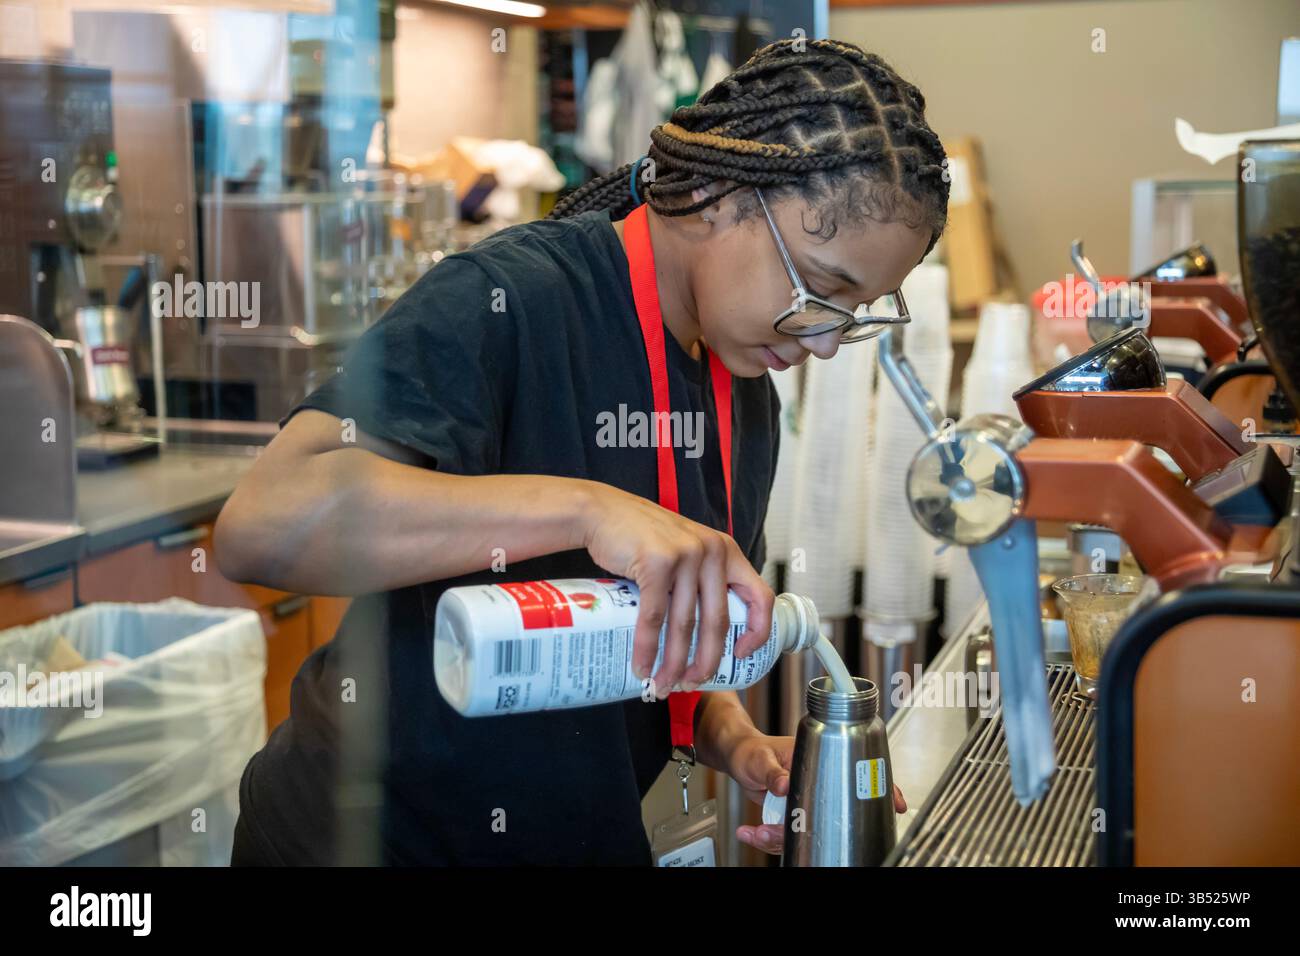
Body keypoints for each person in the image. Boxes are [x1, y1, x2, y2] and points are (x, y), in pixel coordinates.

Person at [216, 38, 949, 866]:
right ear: (711, 192)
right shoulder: (512, 300)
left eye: (855, 313)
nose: (825, 342)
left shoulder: (742, 385)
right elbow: (263, 524)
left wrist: (733, 739)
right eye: (818, 289)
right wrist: (587, 507)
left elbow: (632, 641)